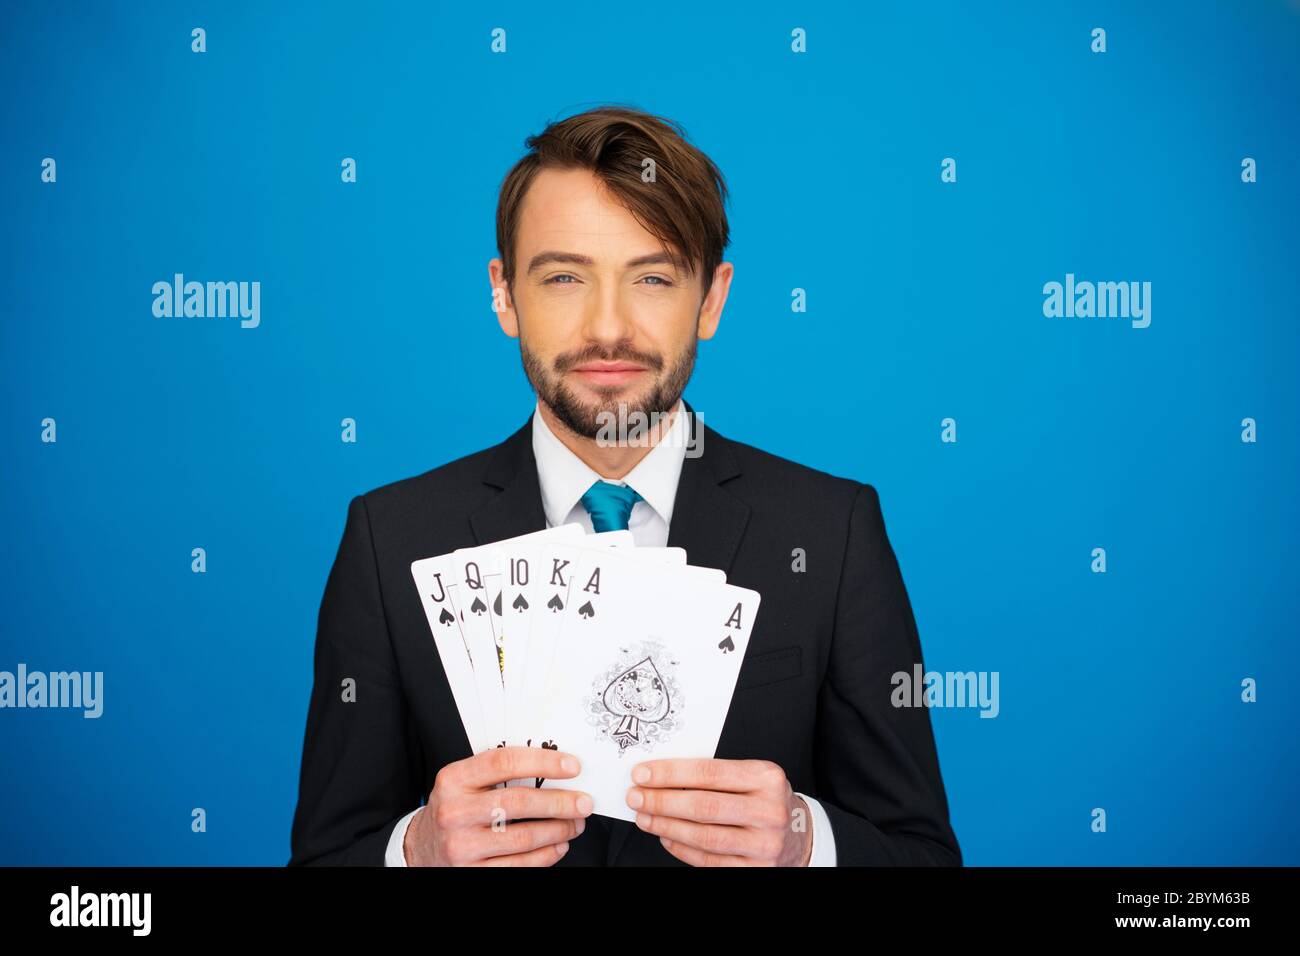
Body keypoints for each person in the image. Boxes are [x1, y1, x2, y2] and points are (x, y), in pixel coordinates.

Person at [289, 106, 960, 867]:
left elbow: (925, 856)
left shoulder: (832, 533)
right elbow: (324, 856)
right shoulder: (390, 542)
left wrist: (806, 841)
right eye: (565, 276)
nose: (608, 328)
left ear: (711, 300)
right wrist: (416, 851)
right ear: (504, 295)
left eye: (651, 276)